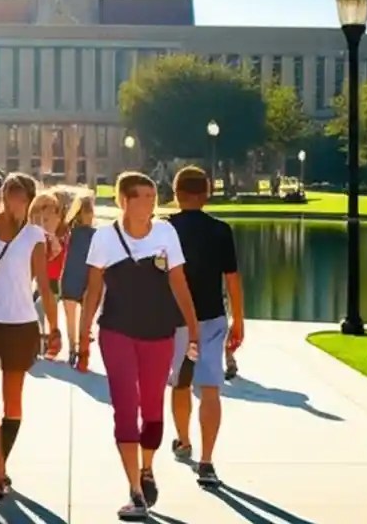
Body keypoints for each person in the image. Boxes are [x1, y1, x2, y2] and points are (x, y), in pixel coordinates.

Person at [78, 172, 200, 521]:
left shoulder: (165, 234)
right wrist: (82, 338)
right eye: (141, 196)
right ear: (124, 201)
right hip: (116, 331)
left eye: (152, 195)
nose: (149, 202)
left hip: (159, 332)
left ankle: (147, 469)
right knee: (125, 406)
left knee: (152, 408)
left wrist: (192, 330)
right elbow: (93, 292)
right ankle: (134, 490)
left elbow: (179, 283)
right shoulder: (104, 238)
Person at [0, 174, 61, 503]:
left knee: (13, 400)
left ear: (30, 200)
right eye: (11, 195)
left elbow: (45, 286)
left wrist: (53, 327)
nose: (16, 202)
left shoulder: (36, 236)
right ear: (3, 195)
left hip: (21, 323)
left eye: (23, 197)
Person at [166, 166, 245, 488]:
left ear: (176, 193)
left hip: (174, 319)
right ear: (207, 193)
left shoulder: (163, 230)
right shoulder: (220, 230)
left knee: (181, 383)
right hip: (212, 316)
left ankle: (184, 441)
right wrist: (239, 318)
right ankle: (207, 462)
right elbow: (233, 280)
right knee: (211, 387)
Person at [58, 189, 97, 367]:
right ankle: (77, 348)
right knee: (79, 318)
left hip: (73, 277)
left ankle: (75, 349)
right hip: (82, 278)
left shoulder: (69, 231)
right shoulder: (92, 234)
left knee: (73, 318)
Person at [28, 191, 66, 348]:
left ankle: (46, 339)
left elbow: (56, 251)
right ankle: (42, 340)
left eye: (47, 218)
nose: (43, 221)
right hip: (39, 283)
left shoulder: (58, 237)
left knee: (38, 308)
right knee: (36, 310)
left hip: (54, 283)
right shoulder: (34, 236)